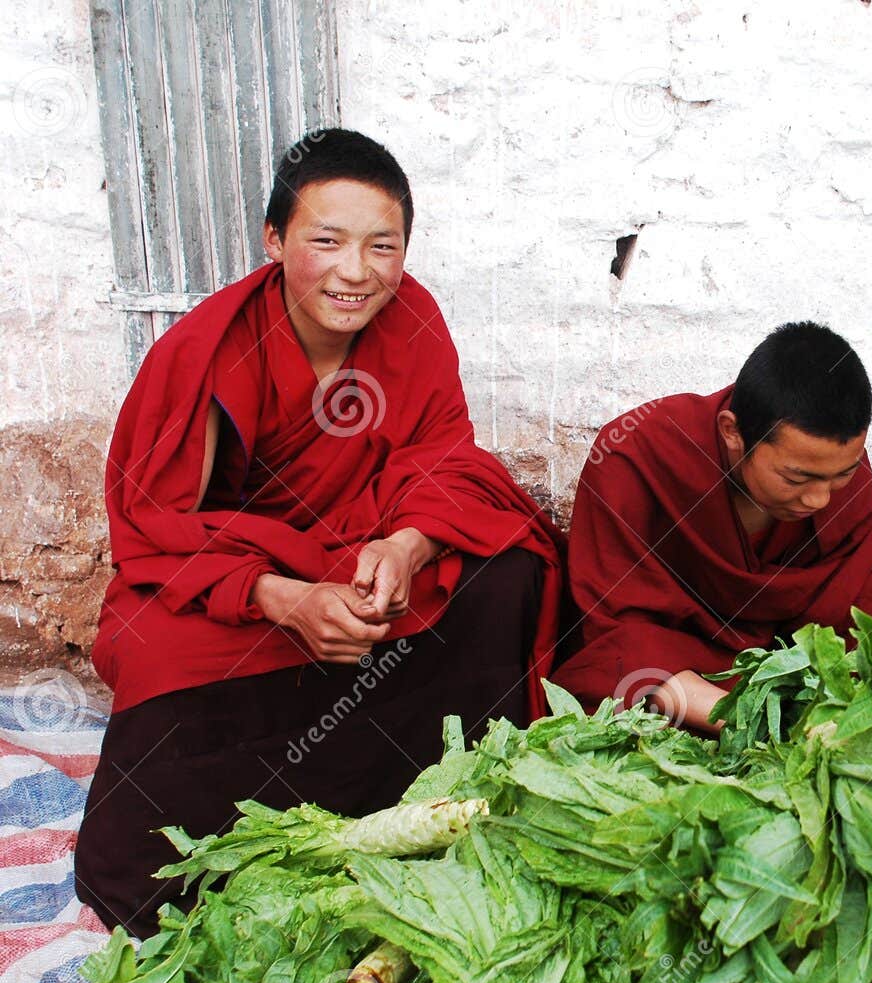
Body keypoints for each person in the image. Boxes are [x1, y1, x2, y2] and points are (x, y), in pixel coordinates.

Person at [77, 129, 563, 936]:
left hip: (362, 552)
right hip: (244, 574)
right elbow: (156, 528)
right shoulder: (205, 350)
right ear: (274, 240)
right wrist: (283, 599)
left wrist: (407, 547)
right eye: (325, 241)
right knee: (151, 646)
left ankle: (436, 796)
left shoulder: (412, 320)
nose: (355, 271)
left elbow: (443, 458)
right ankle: (214, 854)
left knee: (504, 569)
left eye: (383, 246)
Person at [550, 322, 872, 730]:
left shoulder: (827, 467)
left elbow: (860, 576)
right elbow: (615, 629)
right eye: (797, 480)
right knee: (620, 663)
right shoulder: (636, 457)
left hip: (789, 660)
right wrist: (749, 724)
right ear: (733, 432)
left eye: (841, 476)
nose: (820, 500)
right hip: (685, 667)